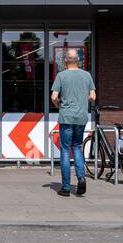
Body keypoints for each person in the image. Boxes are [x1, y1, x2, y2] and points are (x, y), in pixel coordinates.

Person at [51, 49, 96, 197]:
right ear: (78, 60)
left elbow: (54, 96)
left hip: (66, 117)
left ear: (66, 61)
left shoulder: (61, 76)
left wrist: (59, 105)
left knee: (65, 150)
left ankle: (65, 187)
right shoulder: (87, 75)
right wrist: (83, 100)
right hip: (81, 117)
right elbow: (93, 96)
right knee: (77, 147)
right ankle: (81, 177)